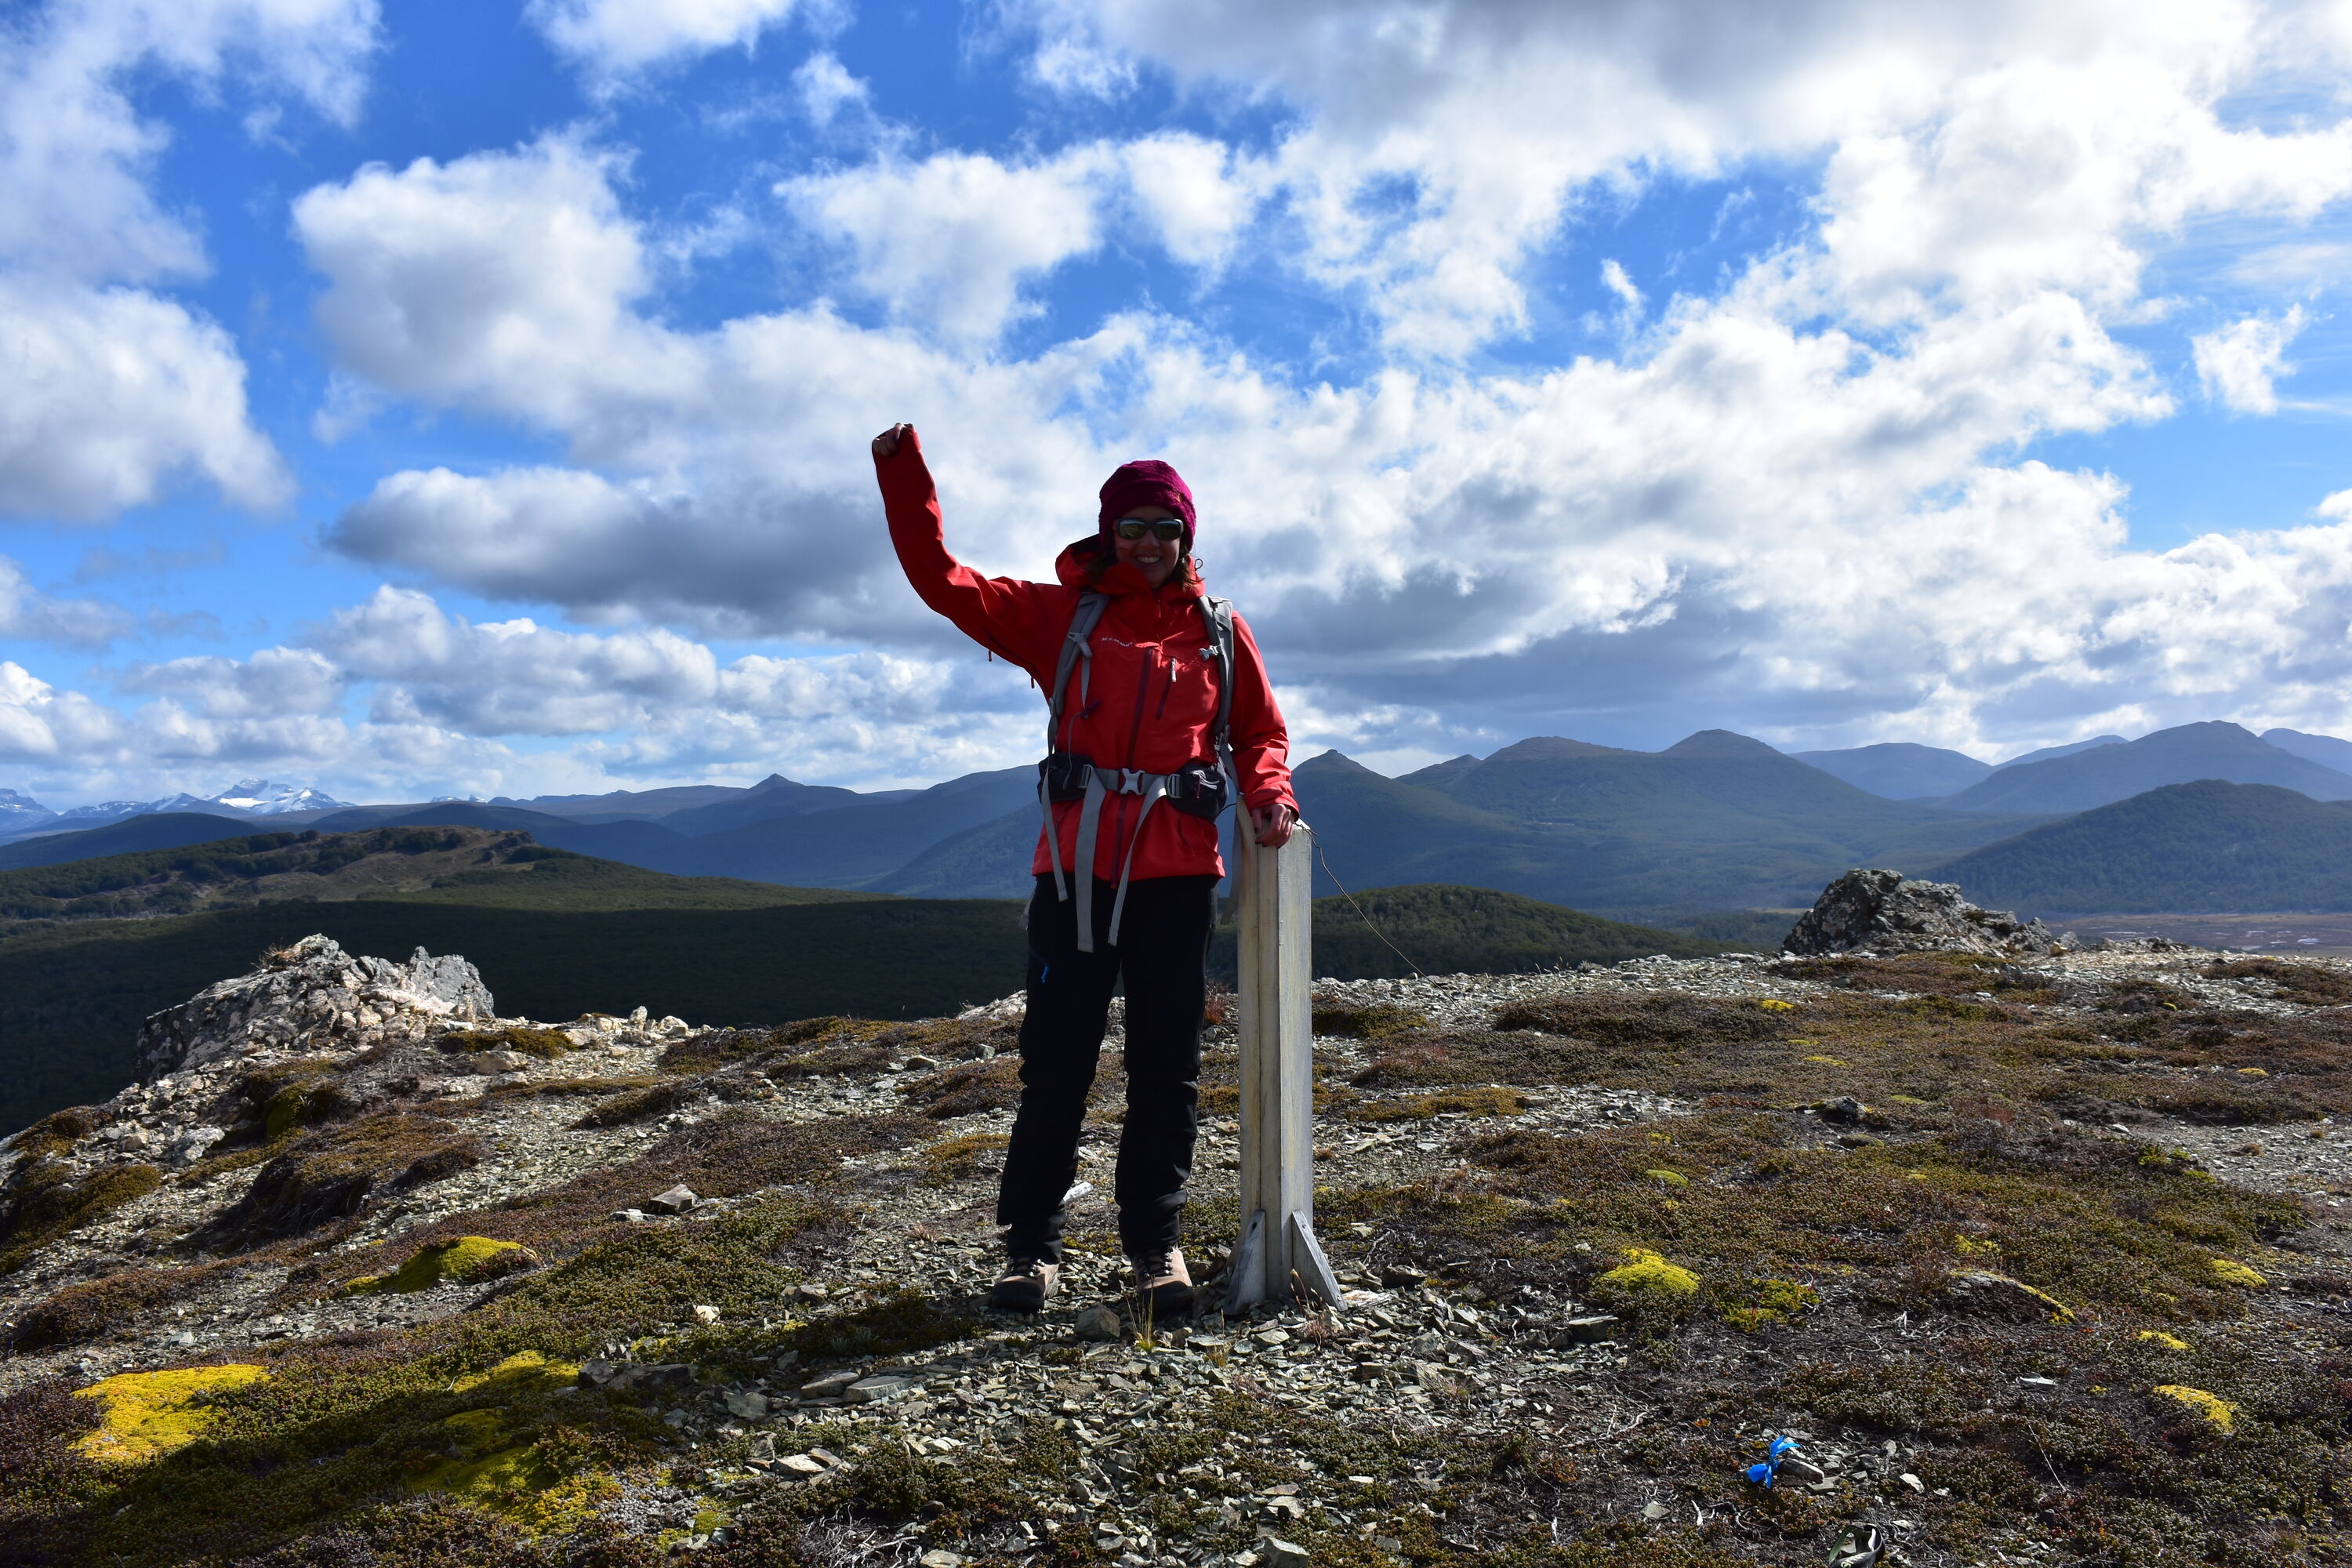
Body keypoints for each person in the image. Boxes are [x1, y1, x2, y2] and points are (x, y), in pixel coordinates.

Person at [871, 422, 1298, 1317]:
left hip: (1178, 874)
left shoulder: (1220, 631)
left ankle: (1155, 1244)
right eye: (1132, 527)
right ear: (1108, 533)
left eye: (1164, 527)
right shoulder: (1061, 616)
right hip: (1073, 874)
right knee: (1057, 1063)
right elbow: (938, 579)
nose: (1148, 543)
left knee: (1166, 1064)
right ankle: (1030, 1249)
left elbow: (1260, 732)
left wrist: (1269, 795)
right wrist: (901, 470)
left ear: (1187, 535)